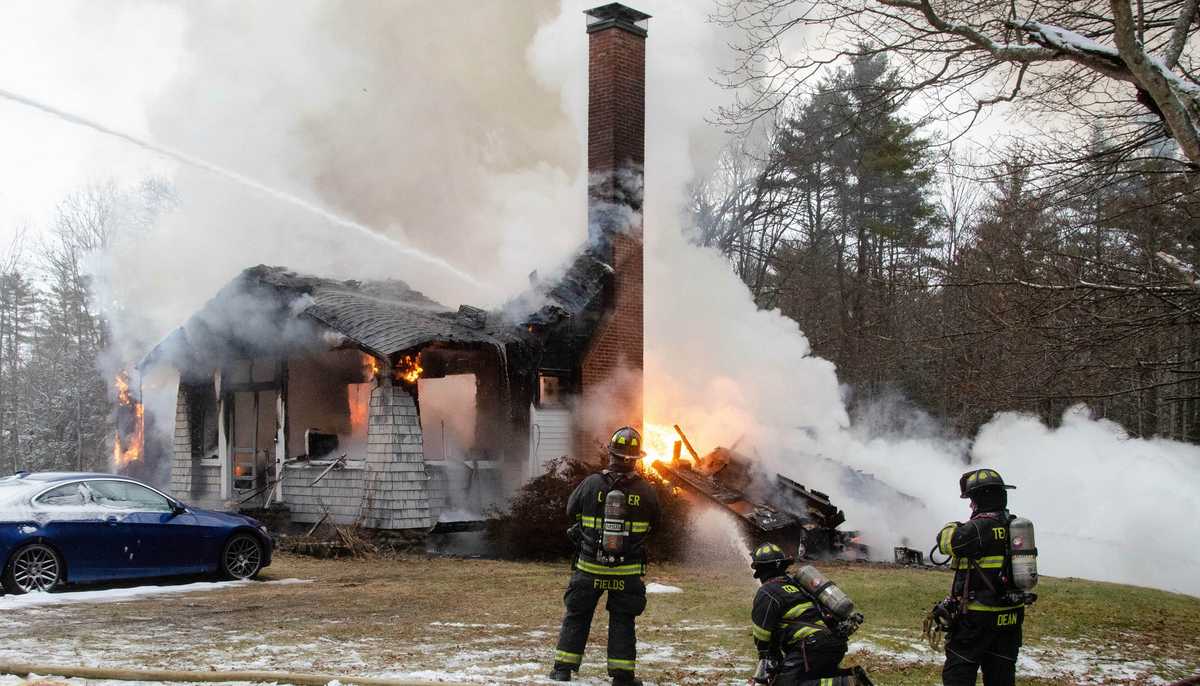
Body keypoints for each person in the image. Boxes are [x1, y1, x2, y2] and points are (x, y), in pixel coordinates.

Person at [549, 426, 661, 685]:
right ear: (635, 459)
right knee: (623, 620)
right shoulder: (646, 490)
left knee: (577, 615)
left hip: (589, 566)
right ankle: (622, 676)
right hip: (627, 570)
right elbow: (657, 524)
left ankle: (562, 669)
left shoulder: (591, 483)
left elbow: (570, 510)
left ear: (611, 454)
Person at [934, 468, 1030, 686]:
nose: (970, 505)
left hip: (977, 618)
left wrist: (952, 525)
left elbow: (945, 542)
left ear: (980, 498)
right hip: (1010, 617)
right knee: (1001, 677)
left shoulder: (977, 528)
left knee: (958, 673)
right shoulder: (1016, 527)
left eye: (972, 500)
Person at [749, 543, 868, 686]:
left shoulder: (767, 592)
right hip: (832, 641)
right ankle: (849, 676)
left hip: (810, 647)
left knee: (784, 684)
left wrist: (765, 659)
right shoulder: (798, 585)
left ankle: (848, 682)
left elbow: (762, 635)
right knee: (813, 677)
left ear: (760, 570)